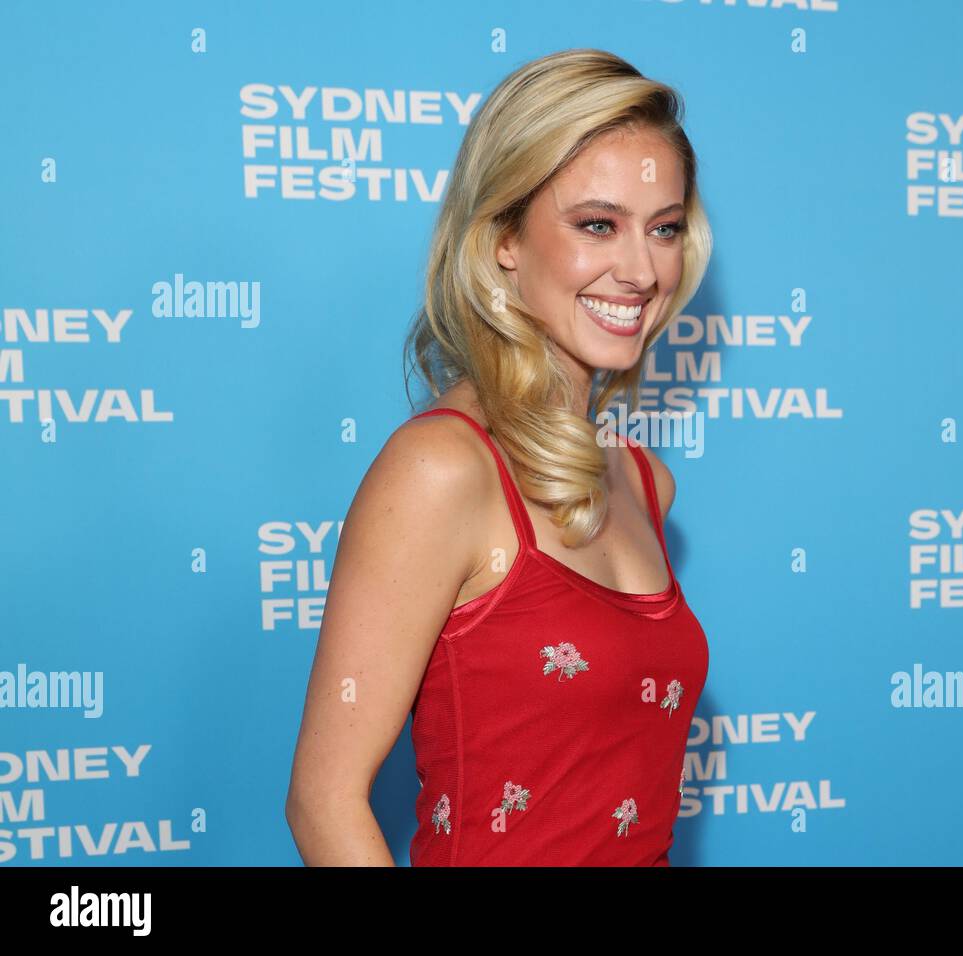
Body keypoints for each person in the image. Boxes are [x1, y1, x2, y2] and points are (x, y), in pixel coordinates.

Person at [285, 48, 713, 866]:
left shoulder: (642, 481)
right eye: (598, 225)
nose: (640, 269)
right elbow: (323, 801)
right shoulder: (441, 469)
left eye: (663, 229)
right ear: (502, 238)